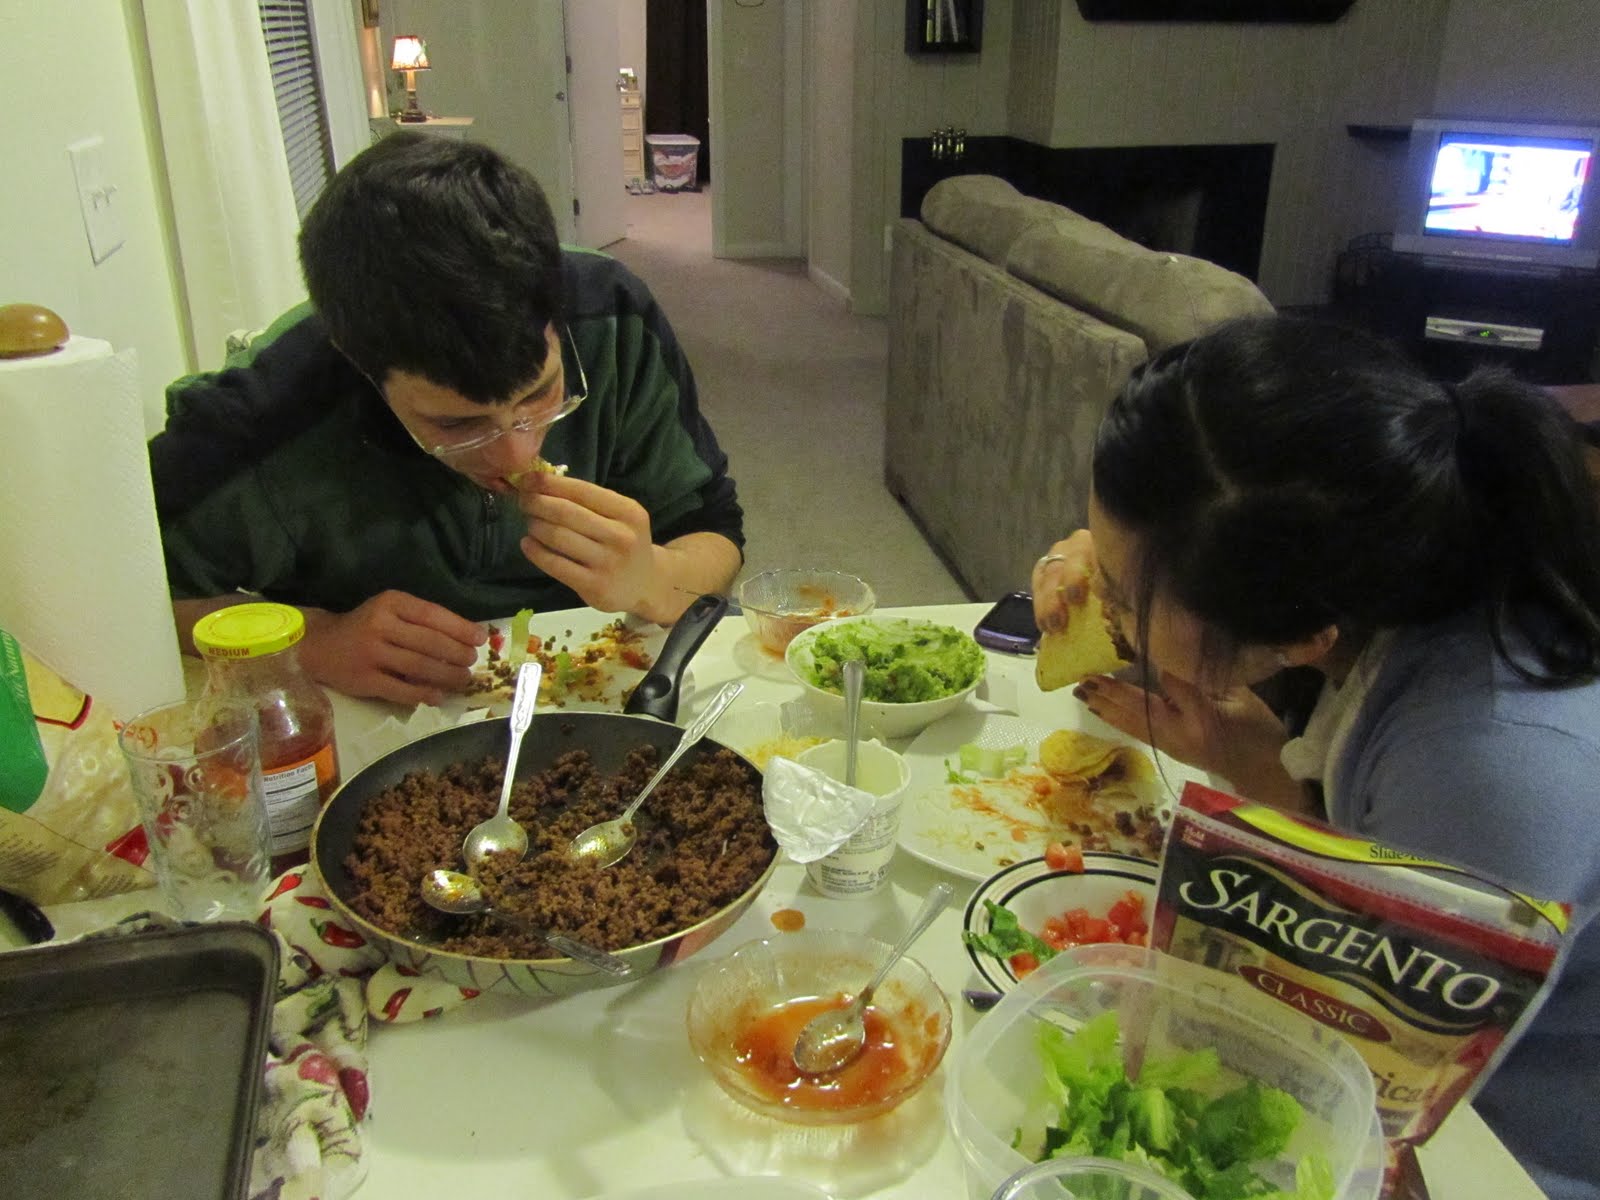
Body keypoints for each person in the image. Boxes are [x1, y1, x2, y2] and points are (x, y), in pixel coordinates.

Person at [1032, 316, 1600, 1200]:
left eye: (1117, 587)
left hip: (1504, 1152)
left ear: (1302, 636)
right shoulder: (1384, 570)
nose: (1092, 595)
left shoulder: (1487, 761)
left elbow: (1363, 1089)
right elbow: (1362, 875)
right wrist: (1248, 758)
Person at [149, 133, 743, 706]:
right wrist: (313, 642)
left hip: (607, 676)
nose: (517, 456)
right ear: (360, 365)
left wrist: (657, 577)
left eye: (541, 395)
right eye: (458, 426)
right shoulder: (262, 413)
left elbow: (714, 527)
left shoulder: (612, 316)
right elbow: (137, 596)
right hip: (377, 715)